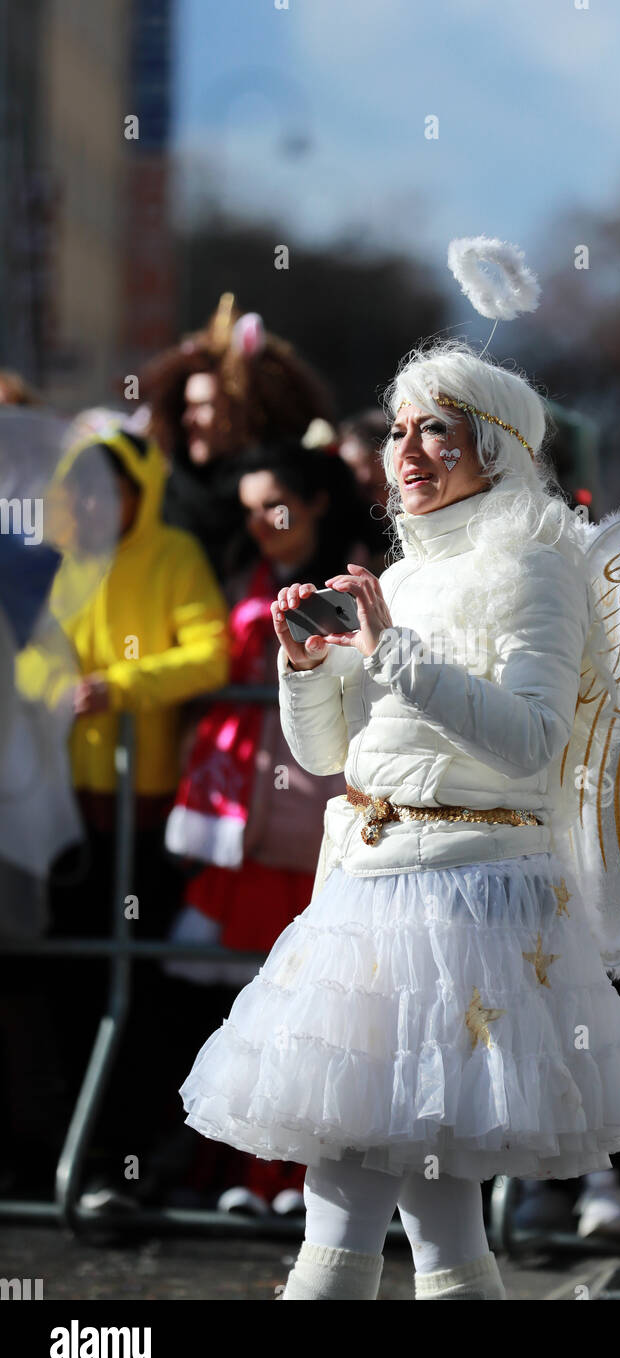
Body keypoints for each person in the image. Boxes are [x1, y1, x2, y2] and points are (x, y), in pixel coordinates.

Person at [179, 339, 620, 1300]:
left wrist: (393, 655)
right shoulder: (394, 580)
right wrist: (305, 666)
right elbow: (328, 755)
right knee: (432, 1212)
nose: (409, 450)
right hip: (367, 887)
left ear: (498, 446)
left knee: (349, 1189)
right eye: (399, 429)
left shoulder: (535, 567)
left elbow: (530, 742)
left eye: (438, 429)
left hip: (468, 899)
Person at [158, 441, 385, 1213]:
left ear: (318, 499)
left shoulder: (359, 580)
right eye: (250, 508)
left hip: (328, 823)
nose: (262, 522)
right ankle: (239, 1176)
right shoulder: (246, 573)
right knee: (249, 1013)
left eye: (276, 505)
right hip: (253, 825)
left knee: (319, 1012)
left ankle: (303, 1183)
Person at [16, 426, 230, 1202]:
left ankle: (140, 1157)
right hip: (64, 806)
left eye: (109, 490)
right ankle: (83, 1154)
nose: (93, 504)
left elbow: (209, 653)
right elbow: (30, 656)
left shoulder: (174, 555)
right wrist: (52, 690)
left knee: (139, 984)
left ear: (137, 493)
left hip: (144, 807)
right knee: (74, 984)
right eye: (82, 490)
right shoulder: (57, 563)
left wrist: (123, 687)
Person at [140, 294, 333, 588]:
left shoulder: (290, 485)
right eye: (186, 406)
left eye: (203, 406)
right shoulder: (165, 494)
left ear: (238, 409)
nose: (188, 419)